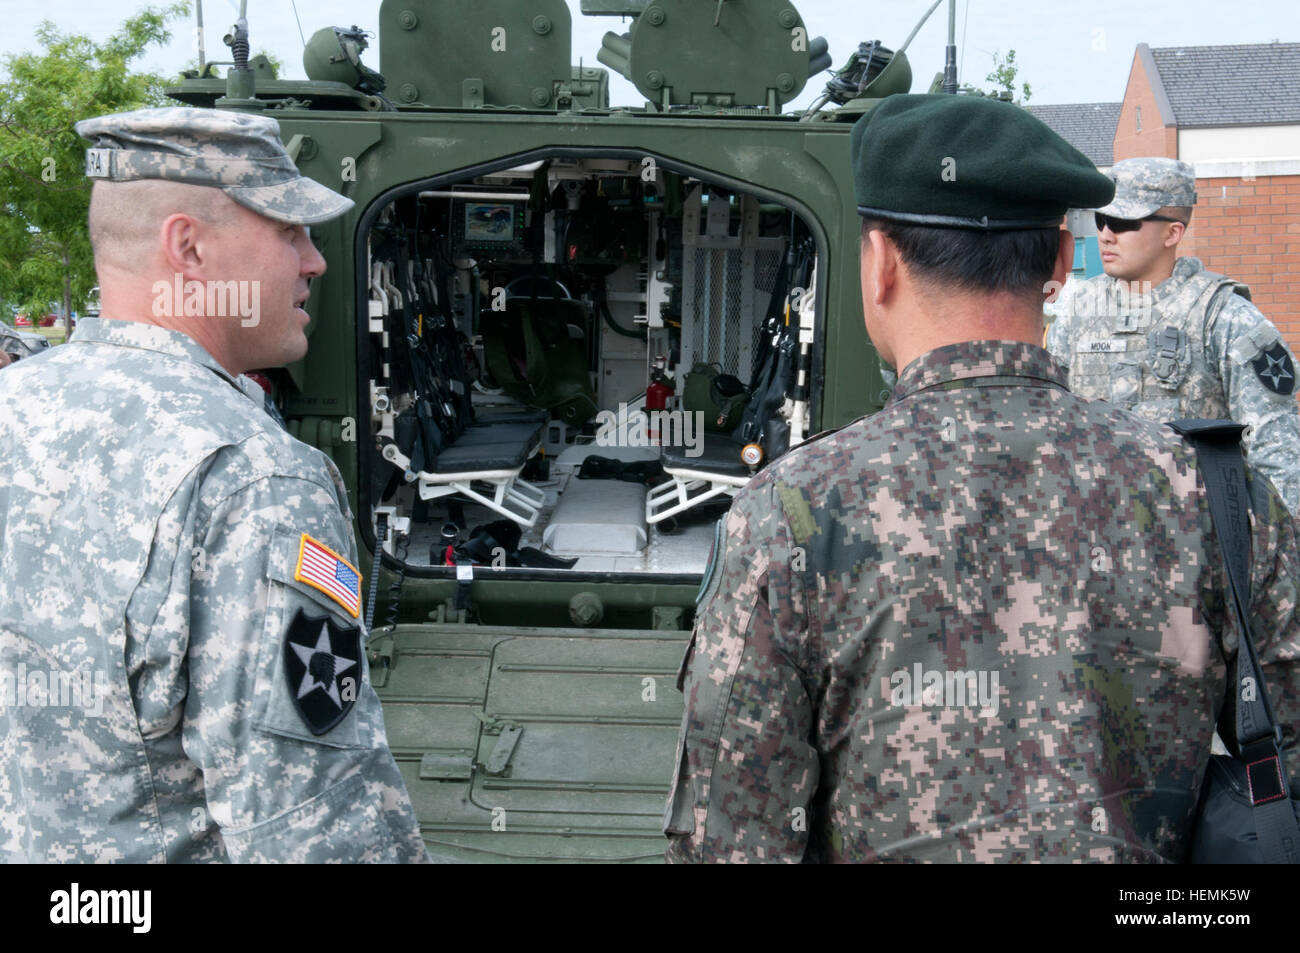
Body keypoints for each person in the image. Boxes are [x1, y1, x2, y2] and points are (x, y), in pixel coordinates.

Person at [663, 94, 1300, 863]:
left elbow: (730, 843)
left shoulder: (789, 515)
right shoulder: (1220, 498)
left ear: (879, 264)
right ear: (1063, 263)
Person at [0, 107, 431, 863]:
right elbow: (315, 832)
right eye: (287, 231)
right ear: (188, 248)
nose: (314, 261)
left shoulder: (15, 409)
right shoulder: (253, 478)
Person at [1045, 157, 1300, 513]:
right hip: (1098, 538)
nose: (1105, 234)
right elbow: (1050, 426)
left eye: (1123, 222)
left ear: (1172, 233)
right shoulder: (1078, 310)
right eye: (1102, 220)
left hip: (1197, 547)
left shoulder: (1224, 316)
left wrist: (1274, 555)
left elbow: (1275, 450)